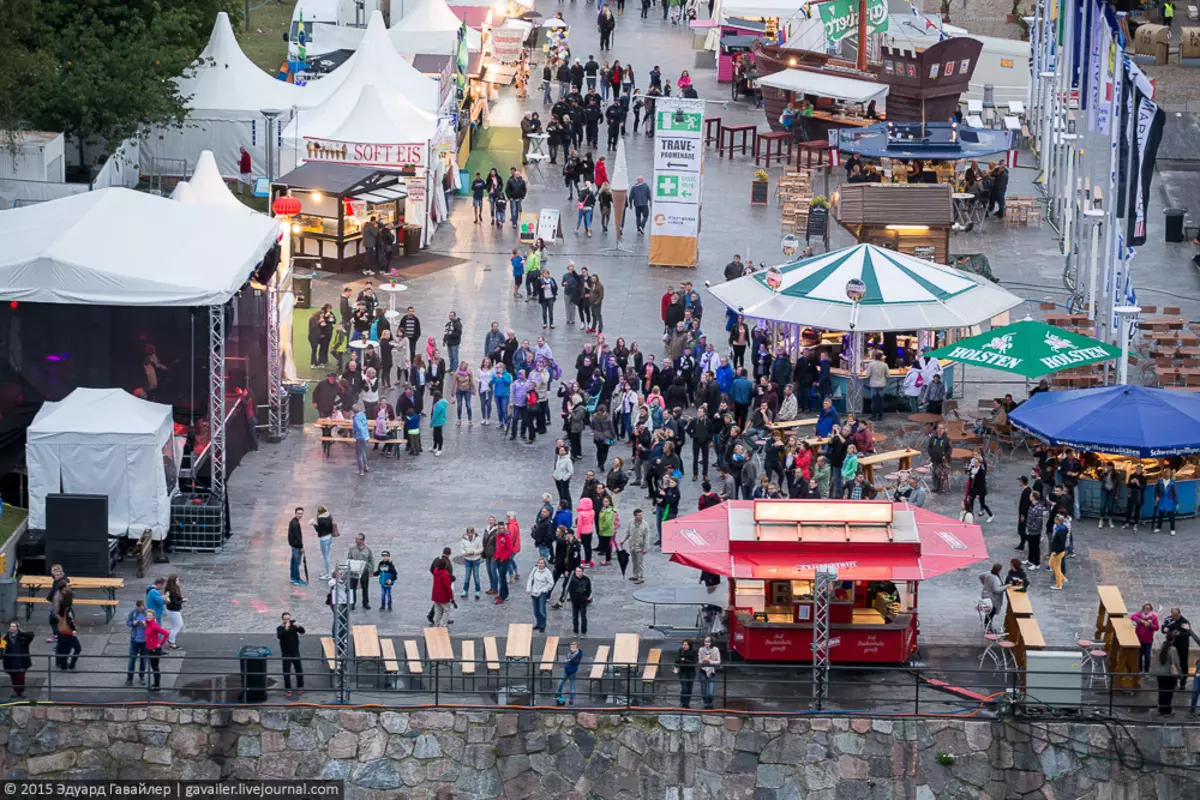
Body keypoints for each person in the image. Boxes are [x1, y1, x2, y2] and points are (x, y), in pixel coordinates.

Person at [276, 612, 306, 698]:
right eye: (286, 619)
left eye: (288, 619)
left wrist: (298, 626)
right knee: (286, 671)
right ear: (283, 619)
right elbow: (280, 636)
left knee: (299, 669)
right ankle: (288, 689)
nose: (287, 621)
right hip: (286, 652)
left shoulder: (293, 626)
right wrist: (286, 628)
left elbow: (302, 631)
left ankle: (300, 686)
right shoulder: (280, 628)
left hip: (295, 651)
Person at [1161, 607, 1192, 690]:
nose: (1174, 616)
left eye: (1175, 615)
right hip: (1171, 645)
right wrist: (1164, 630)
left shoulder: (1184, 622)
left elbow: (1188, 633)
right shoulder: (1168, 619)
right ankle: (1171, 681)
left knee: (1183, 664)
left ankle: (1183, 682)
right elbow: (1163, 628)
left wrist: (1180, 633)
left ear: (1179, 614)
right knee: (1170, 663)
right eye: (1172, 614)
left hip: (1182, 647)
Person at [2, 621, 34, 699]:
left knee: (21, 676)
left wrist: (20, 632)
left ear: (17, 628)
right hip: (10, 660)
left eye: (14, 626)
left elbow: (31, 635)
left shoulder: (23, 637)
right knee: (13, 676)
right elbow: (1, 647)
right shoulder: (5, 637)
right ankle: (16, 691)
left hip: (21, 660)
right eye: (11, 626)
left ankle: (21, 691)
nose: (12, 628)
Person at [621, 507, 651, 584]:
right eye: (639, 515)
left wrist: (645, 549)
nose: (641, 516)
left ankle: (641, 577)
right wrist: (623, 540)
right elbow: (628, 532)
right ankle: (635, 575)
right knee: (634, 561)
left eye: (641, 515)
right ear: (635, 516)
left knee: (640, 562)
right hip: (632, 545)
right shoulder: (631, 522)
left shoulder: (645, 525)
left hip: (640, 547)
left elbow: (646, 538)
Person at [527, 557, 556, 632]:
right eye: (539, 563)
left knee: (541, 610)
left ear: (544, 564)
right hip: (534, 591)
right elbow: (530, 578)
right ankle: (538, 623)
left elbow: (551, 583)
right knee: (536, 610)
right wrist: (529, 589)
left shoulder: (547, 572)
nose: (540, 564)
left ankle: (543, 625)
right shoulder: (534, 569)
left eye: (541, 563)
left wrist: (545, 589)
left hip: (542, 593)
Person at [347, 534, 375, 611]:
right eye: (356, 539)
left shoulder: (367, 550)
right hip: (354, 571)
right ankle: (352, 603)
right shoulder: (352, 549)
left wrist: (371, 571)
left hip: (364, 571)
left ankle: (365, 603)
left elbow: (371, 560)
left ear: (362, 540)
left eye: (358, 539)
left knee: (365, 588)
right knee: (352, 588)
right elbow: (349, 558)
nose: (356, 541)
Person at [143, 609, 169, 691]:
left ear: (153, 617)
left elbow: (166, 633)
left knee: (155, 667)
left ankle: (157, 686)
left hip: (154, 649)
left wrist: (160, 644)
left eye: (150, 616)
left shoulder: (154, 625)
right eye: (147, 615)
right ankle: (156, 684)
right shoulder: (148, 623)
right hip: (149, 648)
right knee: (153, 667)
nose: (148, 617)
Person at [125, 600, 149, 686]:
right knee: (132, 659)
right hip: (134, 639)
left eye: (141, 607)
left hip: (144, 640)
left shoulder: (147, 613)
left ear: (143, 606)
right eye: (138, 607)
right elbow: (128, 622)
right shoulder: (133, 612)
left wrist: (145, 624)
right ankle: (129, 678)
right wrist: (133, 623)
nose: (140, 609)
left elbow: (152, 624)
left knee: (143, 660)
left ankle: (141, 677)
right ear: (136, 606)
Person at [1156, 632, 1181, 715]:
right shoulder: (1173, 649)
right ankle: (1167, 711)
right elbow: (1175, 663)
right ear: (1173, 640)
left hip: (1160, 673)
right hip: (1168, 674)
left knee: (1162, 691)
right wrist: (1179, 672)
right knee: (1168, 693)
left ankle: (1161, 709)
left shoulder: (1161, 647)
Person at [965, 454, 994, 522]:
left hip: (981, 490)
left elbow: (981, 483)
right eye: (974, 462)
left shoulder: (981, 471)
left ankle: (991, 515)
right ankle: (971, 516)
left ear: (980, 463)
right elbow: (970, 475)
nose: (975, 463)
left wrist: (979, 494)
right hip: (973, 488)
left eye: (976, 462)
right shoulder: (973, 468)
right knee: (971, 502)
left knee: (982, 504)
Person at [1132, 603, 1160, 673]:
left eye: (1148, 608)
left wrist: (1150, 625)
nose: (1146, 609)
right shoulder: (1140, 615)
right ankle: (1140, 669)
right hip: (1139, 640)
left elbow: (1156, 628)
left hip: (1148, 641)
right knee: (1139, 656)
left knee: (1147, 656)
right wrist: (1142, 621)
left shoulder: (1154, 617)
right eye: (1145, 608)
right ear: (1143, 609)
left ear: (1151, 609)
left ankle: (1146, 670)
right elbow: (1133, 617)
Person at [494, 519, 516, 604]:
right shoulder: (498, 536)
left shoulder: (507, 536)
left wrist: (503, 558)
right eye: (499, 528)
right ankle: (504, 593)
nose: (500, 530)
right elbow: (498, 547)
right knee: (502, 577)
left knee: (502, 578)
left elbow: (509, 550)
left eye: (502, 528)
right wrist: (496, 556)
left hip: (504, 560)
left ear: (504, 528)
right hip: (499, 559)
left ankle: (502, 596)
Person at [556, 640, 584, 706]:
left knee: (572, 688)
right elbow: (568, 659)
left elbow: (576, 662)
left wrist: (569, 661)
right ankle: (560, 698)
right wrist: (568, 661)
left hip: (572, 672)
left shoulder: (578, 655)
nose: (572, 649)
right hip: (566, 671)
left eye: (574, 647)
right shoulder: (570, 653)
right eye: (571, 647)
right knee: (560, 684)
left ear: (577, 648)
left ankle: (571, 701)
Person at [567, 565, 593, 635]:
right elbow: (569, 589)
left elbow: (589, 590)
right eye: (576, 571)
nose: (578, 573)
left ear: (582, 572)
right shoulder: (572, 579)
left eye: (579, 571)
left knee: (583, 617)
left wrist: (585, 597)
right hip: (574, 601)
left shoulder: (586, 579)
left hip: (583, 602)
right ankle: (575, 631)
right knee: (575, 617)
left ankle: (583, 631)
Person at [431, 557, 456, 626]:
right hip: (444, 596)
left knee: (437, 610)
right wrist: (451, 597)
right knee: (446, 610)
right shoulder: (445, 574)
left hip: (435, 595)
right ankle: (443, 625)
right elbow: (447, 587)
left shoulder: (435, 571)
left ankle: (436, 623)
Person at [1024, 490, 1047, 569]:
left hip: (1035, 531)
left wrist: (1031, 528)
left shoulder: (1038, 508)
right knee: (1030, 546)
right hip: (1030, 530)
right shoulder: (1032, 505)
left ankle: (1036, 563)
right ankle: (1030, 560)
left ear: (1033, 497)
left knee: (1035, 547)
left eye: (1031, 495)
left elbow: (1038, 521)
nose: (1029, 496)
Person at [697, 636, 721, 709]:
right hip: (703, 670)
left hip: (712, 671)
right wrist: (704, 660)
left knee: (711, 692)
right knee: (703, 690)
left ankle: (710, 702)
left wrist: (711, 662)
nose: (706, 643)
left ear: (711, 642)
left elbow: (718, 661)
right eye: (705, 641)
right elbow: (699, 661)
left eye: (708, 642)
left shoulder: (715, 649)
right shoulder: (701, 649)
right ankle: (705, 703)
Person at [926, 423, 951, 493]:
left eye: (941, 428)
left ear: (944, 430)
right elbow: (929, 447)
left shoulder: (947, 439)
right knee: (935, 474)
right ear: (936, 429)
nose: (940, 430)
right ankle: (936, 487)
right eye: (938, 428)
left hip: (942, 461)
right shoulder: (933, 438)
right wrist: (931, 454)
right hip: (934, 459)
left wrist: (945, 456)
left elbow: (949, 449)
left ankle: (941, 488)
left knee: (941, 475)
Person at [163, 574, 185, 649]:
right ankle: (171, 641)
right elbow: (175, 602)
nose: (178, 581)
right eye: (177, 580)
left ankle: (171, 640)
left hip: (172, 610)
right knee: (178, 625)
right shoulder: (171, 591)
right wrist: (182, 600)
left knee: (175, 626)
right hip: (173, 610)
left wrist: (180, 598)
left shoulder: (173, 589)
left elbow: (175, 599)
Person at [1154, 468, 1179, 535]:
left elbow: (1175, 493)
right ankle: (1158, 528)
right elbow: (1156, 490)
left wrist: (1176, 502)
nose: (1167, 474)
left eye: (1169, 473)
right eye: (1166, 472)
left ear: (1170, 474)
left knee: (1171, 516)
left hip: (1170, 501)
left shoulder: (1172, 483)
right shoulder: (1160, 482)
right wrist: (1156, 496)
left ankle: (1172, 529)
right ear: (1164, 473)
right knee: (1160, 515)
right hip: (1161, 501)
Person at [1048, 516, 1070, 590]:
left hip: (1057, 552)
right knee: (1051, 565)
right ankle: (1063, 578)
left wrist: (1056, 552)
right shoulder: (1062, 528)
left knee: (1056, 568)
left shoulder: (1060, 531)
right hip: (1057, 551)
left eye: (1055, 520)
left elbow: (1060, 543)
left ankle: (1059, 585)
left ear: (1058, 521)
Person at [1123, 464, 1147, 531]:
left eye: (1139, 469)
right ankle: (1127, 522)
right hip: (1131, 493)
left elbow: (1144, 487)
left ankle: (1135, 523)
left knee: (1137, 509)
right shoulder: (1131, 476)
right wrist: (1131, 482)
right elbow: (1128, 485)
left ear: (1141, 470)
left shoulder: (1143, 477)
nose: (1138, 470)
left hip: (1139, 494)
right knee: (1129, 508)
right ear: (1135, 469)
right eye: (1137, 469)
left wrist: (1138, 483)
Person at [287, 506, 307, 586]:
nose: (300, 515)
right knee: (296, 562)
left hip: (293, 544)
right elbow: (298, 536)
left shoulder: (293, 521)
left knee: (293, 561)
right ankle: (297, 579)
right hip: (296, 545)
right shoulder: (295, 524)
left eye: (301, 514)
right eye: (298, 513)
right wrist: (301, 546)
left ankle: (292, 577)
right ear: (295, 513)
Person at [675, 639, 698, 708]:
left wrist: (685, 660)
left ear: (689, 645)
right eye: (683, 644)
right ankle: (682, 701)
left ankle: (687, 703)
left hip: (691, 672)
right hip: (683, 671)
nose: (684, 646)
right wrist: (681, 660)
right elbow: (677, 659)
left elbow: (694, 661)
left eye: (686, 645)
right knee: (684, 688)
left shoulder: (693, 651)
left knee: (690, 688)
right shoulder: (680, 650)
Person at [431, 392, 448, 456]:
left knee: (438, 435)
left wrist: (431, 423)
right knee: (436, 434)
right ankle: (435, 447)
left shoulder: (438, 404)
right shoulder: (443, 402)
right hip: (441, 421)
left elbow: (435, 414)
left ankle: (439, 449)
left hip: (437, 421)